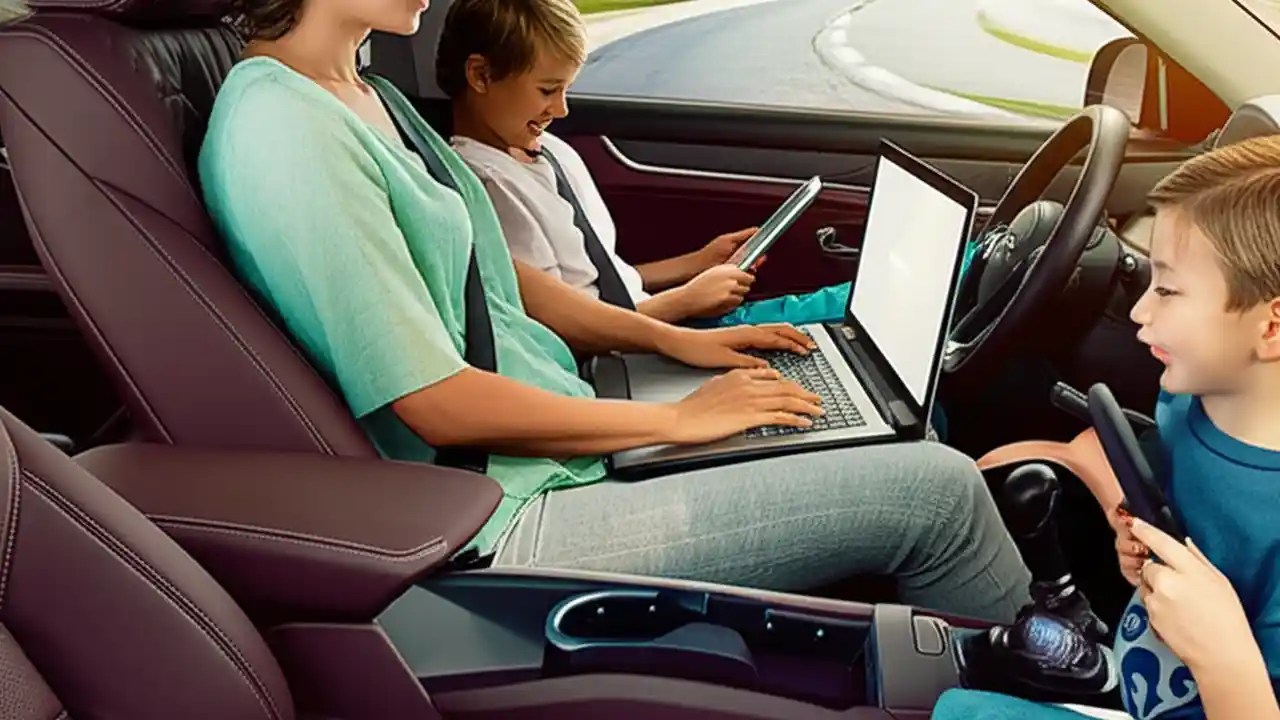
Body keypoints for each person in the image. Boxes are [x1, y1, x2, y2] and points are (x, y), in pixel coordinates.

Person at [199, 0, 1030, 621]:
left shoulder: (369, 93)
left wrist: (675, 342)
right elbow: (432, 402)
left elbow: (501, 279)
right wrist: (676, 424)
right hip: (499, 512)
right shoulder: (285, 125)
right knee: (940, 494)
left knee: (864, 415)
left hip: (567, 427)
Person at [932, 136, 1280, 718]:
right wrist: (1135, 550)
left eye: (1167, 289)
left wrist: (1224, 657)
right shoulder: (1188, 404)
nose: (1141, 311)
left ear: (1270, 329)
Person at [439, 0, 851, 328]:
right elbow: (555, 330)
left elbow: (592, 282)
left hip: (646, 318)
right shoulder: (485, 187)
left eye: (566, 88)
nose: (561, 109)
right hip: (635, 342)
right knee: (847, 306)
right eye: (548, 89)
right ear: (481, 75)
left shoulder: (545, 151)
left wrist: (695, 264)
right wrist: (683, 302)